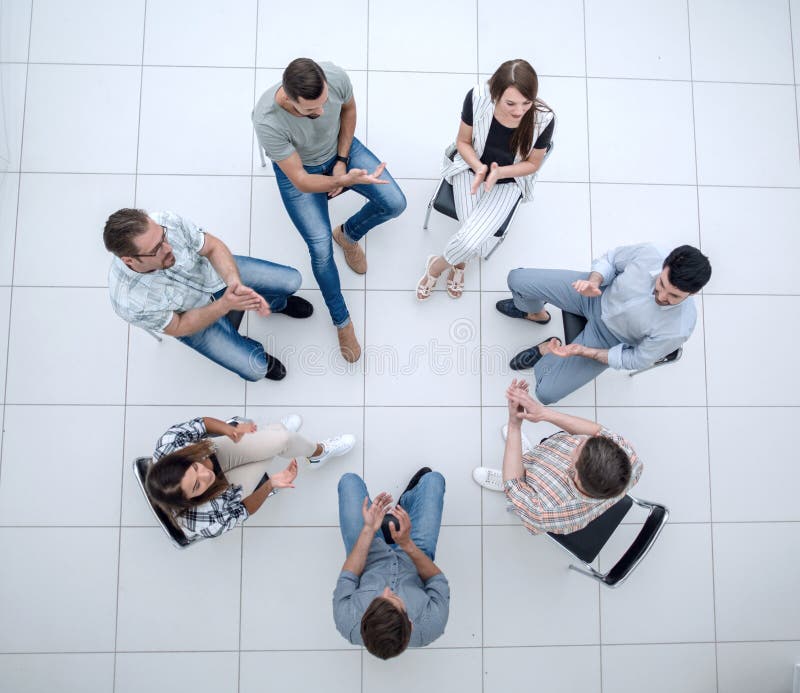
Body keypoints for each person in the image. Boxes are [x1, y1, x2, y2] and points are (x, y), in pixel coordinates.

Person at [253, 57, 407, 362]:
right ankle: (341, 320)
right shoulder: (268, 120)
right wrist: (339, 181)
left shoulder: (334, 76)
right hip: (302, 172)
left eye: (323, 103)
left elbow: (348, 110)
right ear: (289, 99)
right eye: (312, 110)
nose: (322, 112)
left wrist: (341, 161)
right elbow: (301, 180)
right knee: (320, 250)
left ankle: (347, 235)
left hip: (341, 152)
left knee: (395, 203)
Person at [104, 208, 313, 381]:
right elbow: (179, 326)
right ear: (129, 260)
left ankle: (275, 303)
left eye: (163, 237)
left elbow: (212, 247)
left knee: (291, 281)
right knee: (255, 369)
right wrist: (224, 305)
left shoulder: (165, 222)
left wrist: (235, 283)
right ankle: (248, 347)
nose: (168, 248)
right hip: (190, 317)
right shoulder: (128, 302)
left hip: (215, 275)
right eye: (156, 249)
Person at [497, 243, 712, 404]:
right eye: (661, 283)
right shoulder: (650, 254)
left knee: (545, 393)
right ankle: (536, 314)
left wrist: (584, 351)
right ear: (664, 265)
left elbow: (636, 358)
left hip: (609, 339)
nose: (662, 296)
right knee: (517, 279)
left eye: (674, 296)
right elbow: (611, 260)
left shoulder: (679, 328)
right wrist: (594, 281)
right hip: (595, 295)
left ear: (693, 293)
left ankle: (546, 351)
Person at [416, 59, 554, 301]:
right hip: (471, 168)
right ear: (495, 94)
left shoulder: (544, 118)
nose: (519, 111)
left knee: (473, 241)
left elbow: (533, 164)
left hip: (509, 181)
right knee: (474, 243)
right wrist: (479, 168)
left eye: (526, 103)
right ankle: (459, 264)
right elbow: (462, 142)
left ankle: (436, 266)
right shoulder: (478, 97)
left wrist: (500, 173)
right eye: (510, 103)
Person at [145, 414, 355, 541]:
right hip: (225, 494)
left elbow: (202, 424)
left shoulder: (170, 443)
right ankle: (278, 436)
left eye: (194, 467)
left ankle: (313, 451)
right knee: (278, 443)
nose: (206, 474)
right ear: (189, 500)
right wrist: (270, 484)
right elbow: (244, 510)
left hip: (213, 452)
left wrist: (228, 429)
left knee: (282, 439)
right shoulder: (206, 520)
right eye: (196, 485)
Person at [472, 379, 642, 534]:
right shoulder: (630, 459)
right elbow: (598, 431)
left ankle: (515, 472)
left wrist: (514, 425)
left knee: (515, 487)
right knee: (530, 456)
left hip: (526, 485)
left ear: (576, 474)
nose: (580, 439)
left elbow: (514, 483)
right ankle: (525, 456)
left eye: (578, 448)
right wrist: (543, 413)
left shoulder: (546, 511)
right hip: (548, 456)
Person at [333, 469, 449, 659]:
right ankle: (406, 504)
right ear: (410, 623)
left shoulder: (347, 622)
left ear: (363, 619)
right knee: (433, 480)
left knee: (349, 481)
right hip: (413, 554)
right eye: (394, 597)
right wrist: (407, 544)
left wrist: (369, 529)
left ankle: (387, 523)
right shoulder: (431, 626)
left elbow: (349, 576)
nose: (387, 590)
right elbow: (436, 580)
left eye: (378, 598)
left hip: (368, 554)